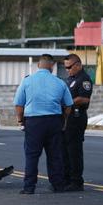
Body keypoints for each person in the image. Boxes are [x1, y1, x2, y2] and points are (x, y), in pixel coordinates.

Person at [13, 54, 73, 194]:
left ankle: (29, 188)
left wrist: (21, 120)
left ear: (38, 65)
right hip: (54, 120)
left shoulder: (27, 81)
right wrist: (64, 120)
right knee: (55, 155)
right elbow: (69, 105)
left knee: (32, 156)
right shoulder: (59, 82)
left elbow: (18, 104)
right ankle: (58, 186)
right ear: (51, 66)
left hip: (34, 122)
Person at [62, 54, 92, 192]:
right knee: (65, 151)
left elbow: (84, 99)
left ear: (78, 65)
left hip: (76, 117)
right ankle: (66, 179)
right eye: (66, 67)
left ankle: (76, 181)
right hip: (67, 118)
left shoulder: (83, 79)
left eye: (69, 67)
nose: (67, 70)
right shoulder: (71, 79)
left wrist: (68, 103)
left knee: (74, 151)